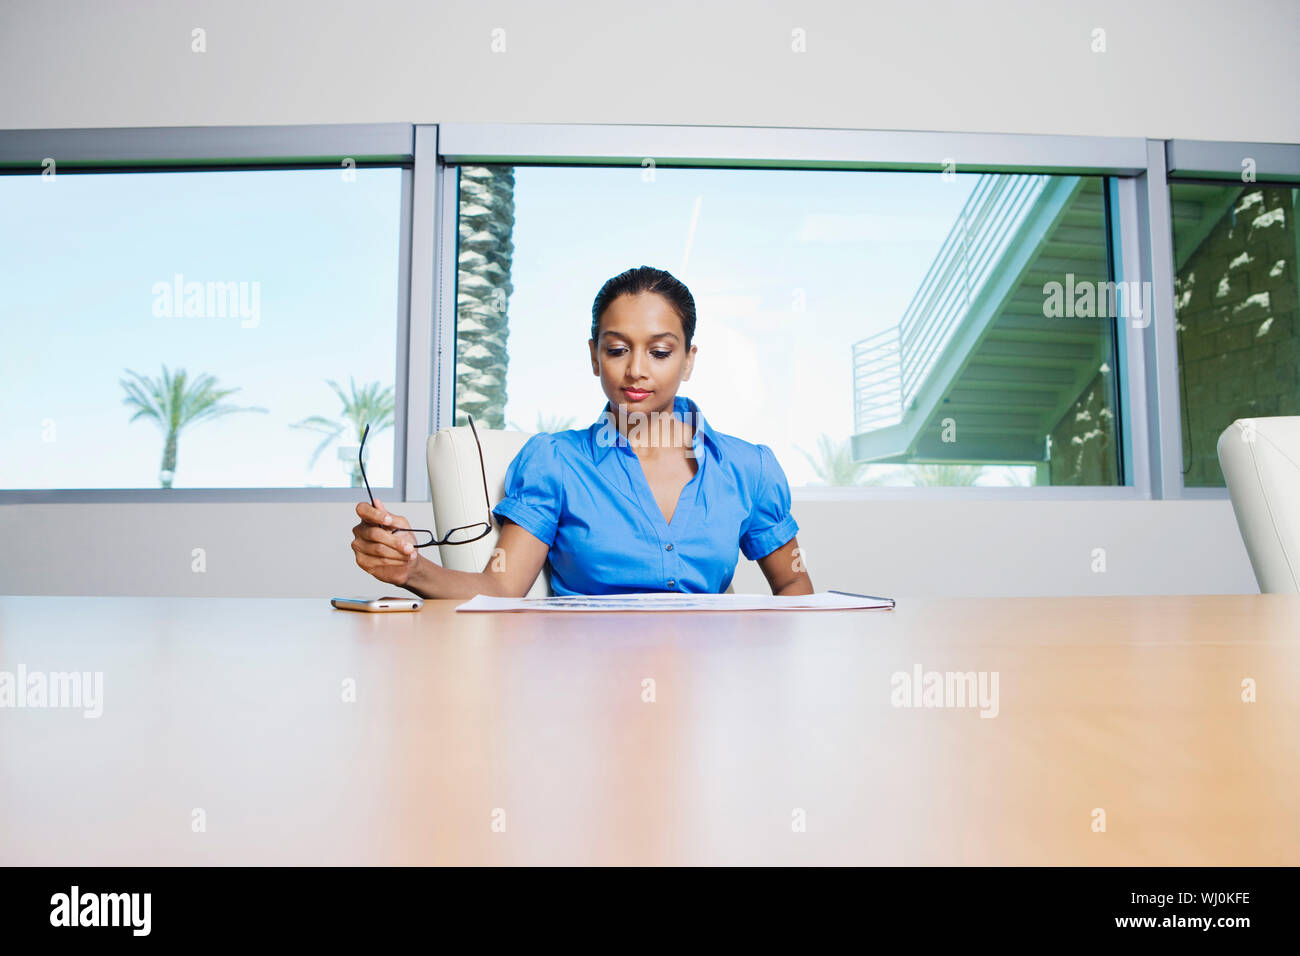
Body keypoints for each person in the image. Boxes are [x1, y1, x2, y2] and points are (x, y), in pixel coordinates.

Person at [351, 265, 813, 598]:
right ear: (594, 356)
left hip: (709, 693)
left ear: (688, 359)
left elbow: (792, 581)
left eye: (659, 352)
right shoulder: (555, 462)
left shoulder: (747, 468)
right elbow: (499, 587)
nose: (636, 371)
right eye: (617, 349)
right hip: (583, 688)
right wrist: (410, 569)